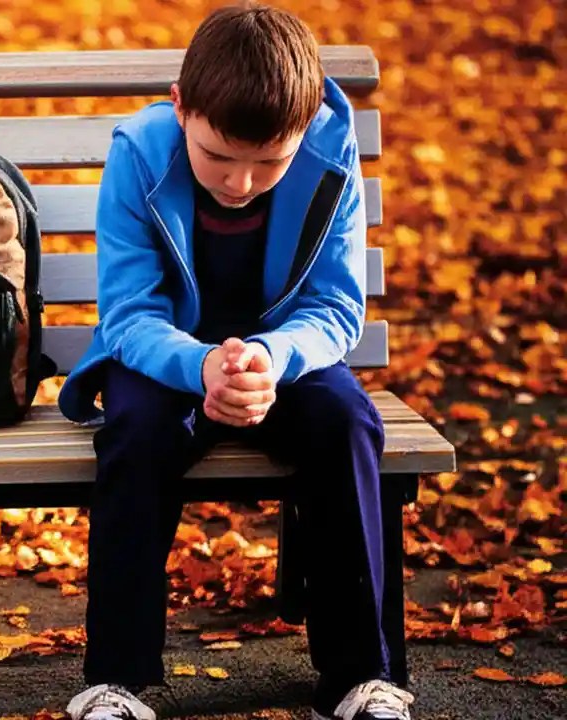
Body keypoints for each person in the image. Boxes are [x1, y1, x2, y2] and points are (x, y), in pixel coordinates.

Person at [56, 3, 415, 719]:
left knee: (346, 423)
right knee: (135, 435)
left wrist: (269, 360)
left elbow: (337, 311)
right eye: (219, 156)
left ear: (307, 122)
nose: (241, 182)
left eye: (268, 163)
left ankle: (360, 678)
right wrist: (201, 370)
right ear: (180, 107)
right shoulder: (138, 151)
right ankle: (115, 681)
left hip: (283, 355)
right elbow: (128, 314)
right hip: (166, 354)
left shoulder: (327, 156)